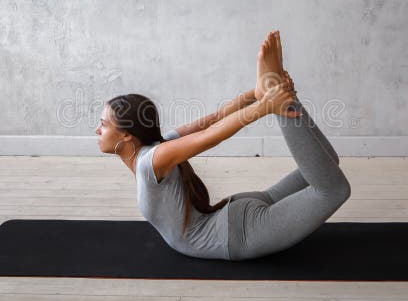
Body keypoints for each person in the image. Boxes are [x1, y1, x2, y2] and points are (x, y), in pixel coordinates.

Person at [95, 30, 351, 261]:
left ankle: (279, 93)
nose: (98, 129)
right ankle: (281, 92)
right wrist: (259, 97)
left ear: (127, 135)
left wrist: (262, 102)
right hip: (235, 217)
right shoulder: (159, 149)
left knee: (332, 188)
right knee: (328, 165)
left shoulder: (150, 161)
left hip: (239, 233)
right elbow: (213, 123)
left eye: (103, 124)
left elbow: (211, 133)